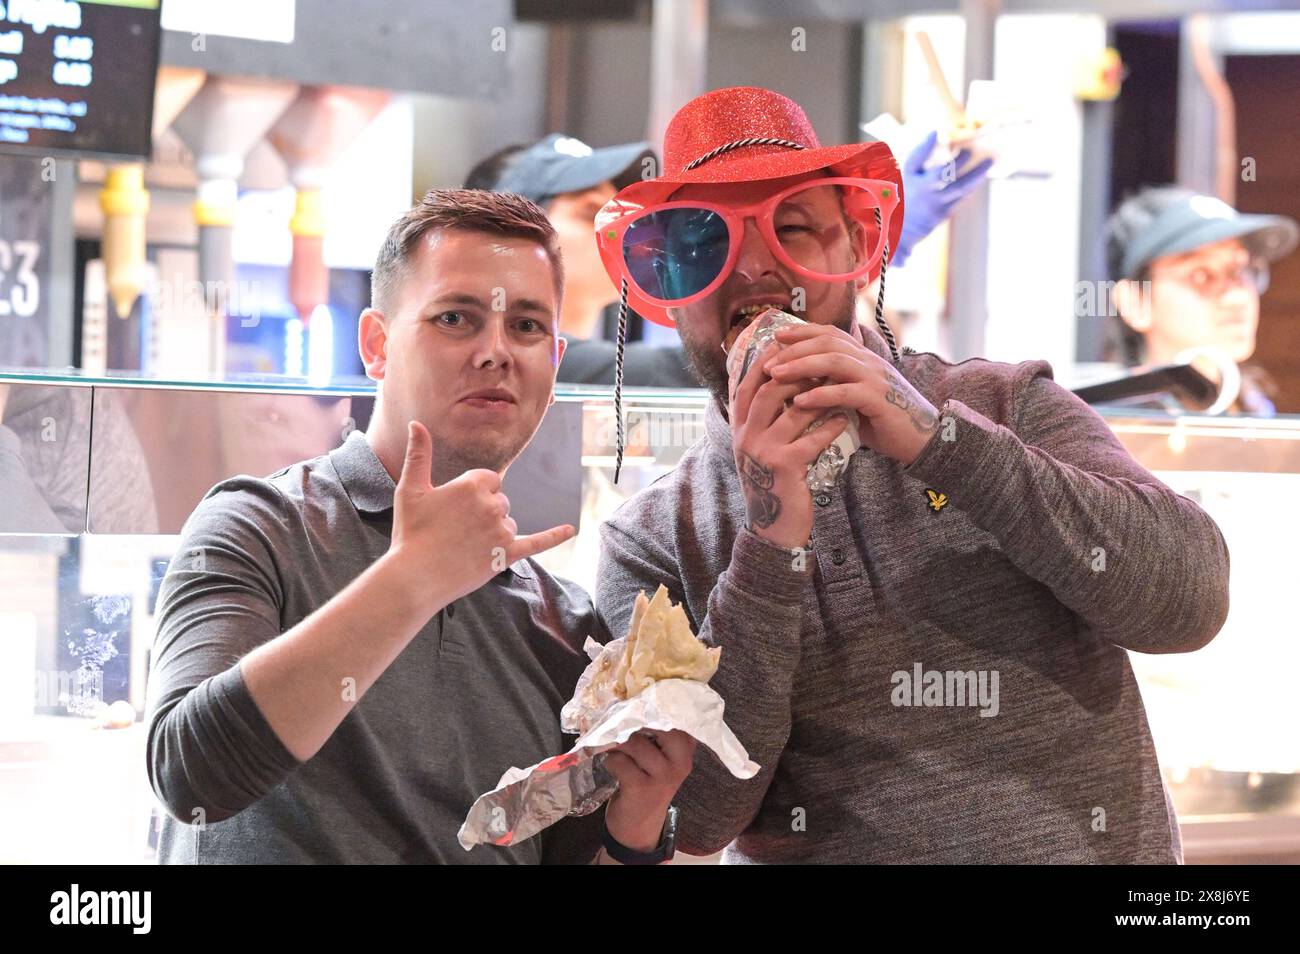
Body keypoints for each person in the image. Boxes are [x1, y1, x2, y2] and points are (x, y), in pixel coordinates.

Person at [592, 86, 1231, 863]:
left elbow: (1189, 603)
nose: (756, 268)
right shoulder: (655, 539)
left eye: (793, 228)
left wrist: (940, 442)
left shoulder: (1004, 401)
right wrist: (770, 542)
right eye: (702, 244)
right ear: (666, 295)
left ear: (860, 249)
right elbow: (695, 818)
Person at [145, 189, 695, 864]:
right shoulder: (261, 528)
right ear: (376, 345)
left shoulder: (563, 623)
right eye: (457, 318)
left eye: (525, 327)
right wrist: (411, 580)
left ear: (554, 363)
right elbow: (190, 775)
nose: (497, 351)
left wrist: (636, 823)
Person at [466, 134, 698, 387]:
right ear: (507, 235)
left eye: (626, 216)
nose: (622, 232)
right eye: (592, 213)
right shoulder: (494, 354)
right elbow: (671, 370)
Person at [1105, 186, 1298, 416]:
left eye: (1242, 269)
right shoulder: (1109, 431)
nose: (1238, 297)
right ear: (1134, 302)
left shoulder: (1257, 413)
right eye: (1201, 275)